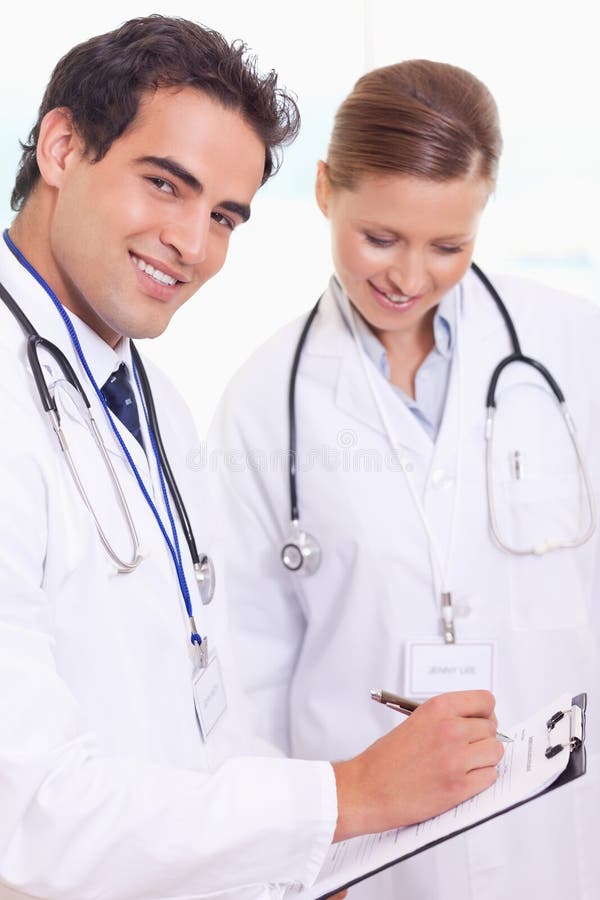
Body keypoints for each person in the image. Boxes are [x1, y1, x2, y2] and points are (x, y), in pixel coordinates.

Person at [0, 20, 504, 900]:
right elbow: (28, 808)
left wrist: (310, 860)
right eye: (165, 185)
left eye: (223, 216)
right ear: (62, 145)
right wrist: (345, 798)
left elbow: (196, 708)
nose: (193, 245)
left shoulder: (149, 400)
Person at [210, 60, 600, 899]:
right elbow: (246, 671)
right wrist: (299, 846)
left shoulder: (574, 350)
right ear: (323, 191)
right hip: (371, 852)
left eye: (449, 245)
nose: (409, 276)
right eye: (380, 238)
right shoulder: (261, 404)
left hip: (560, 824)